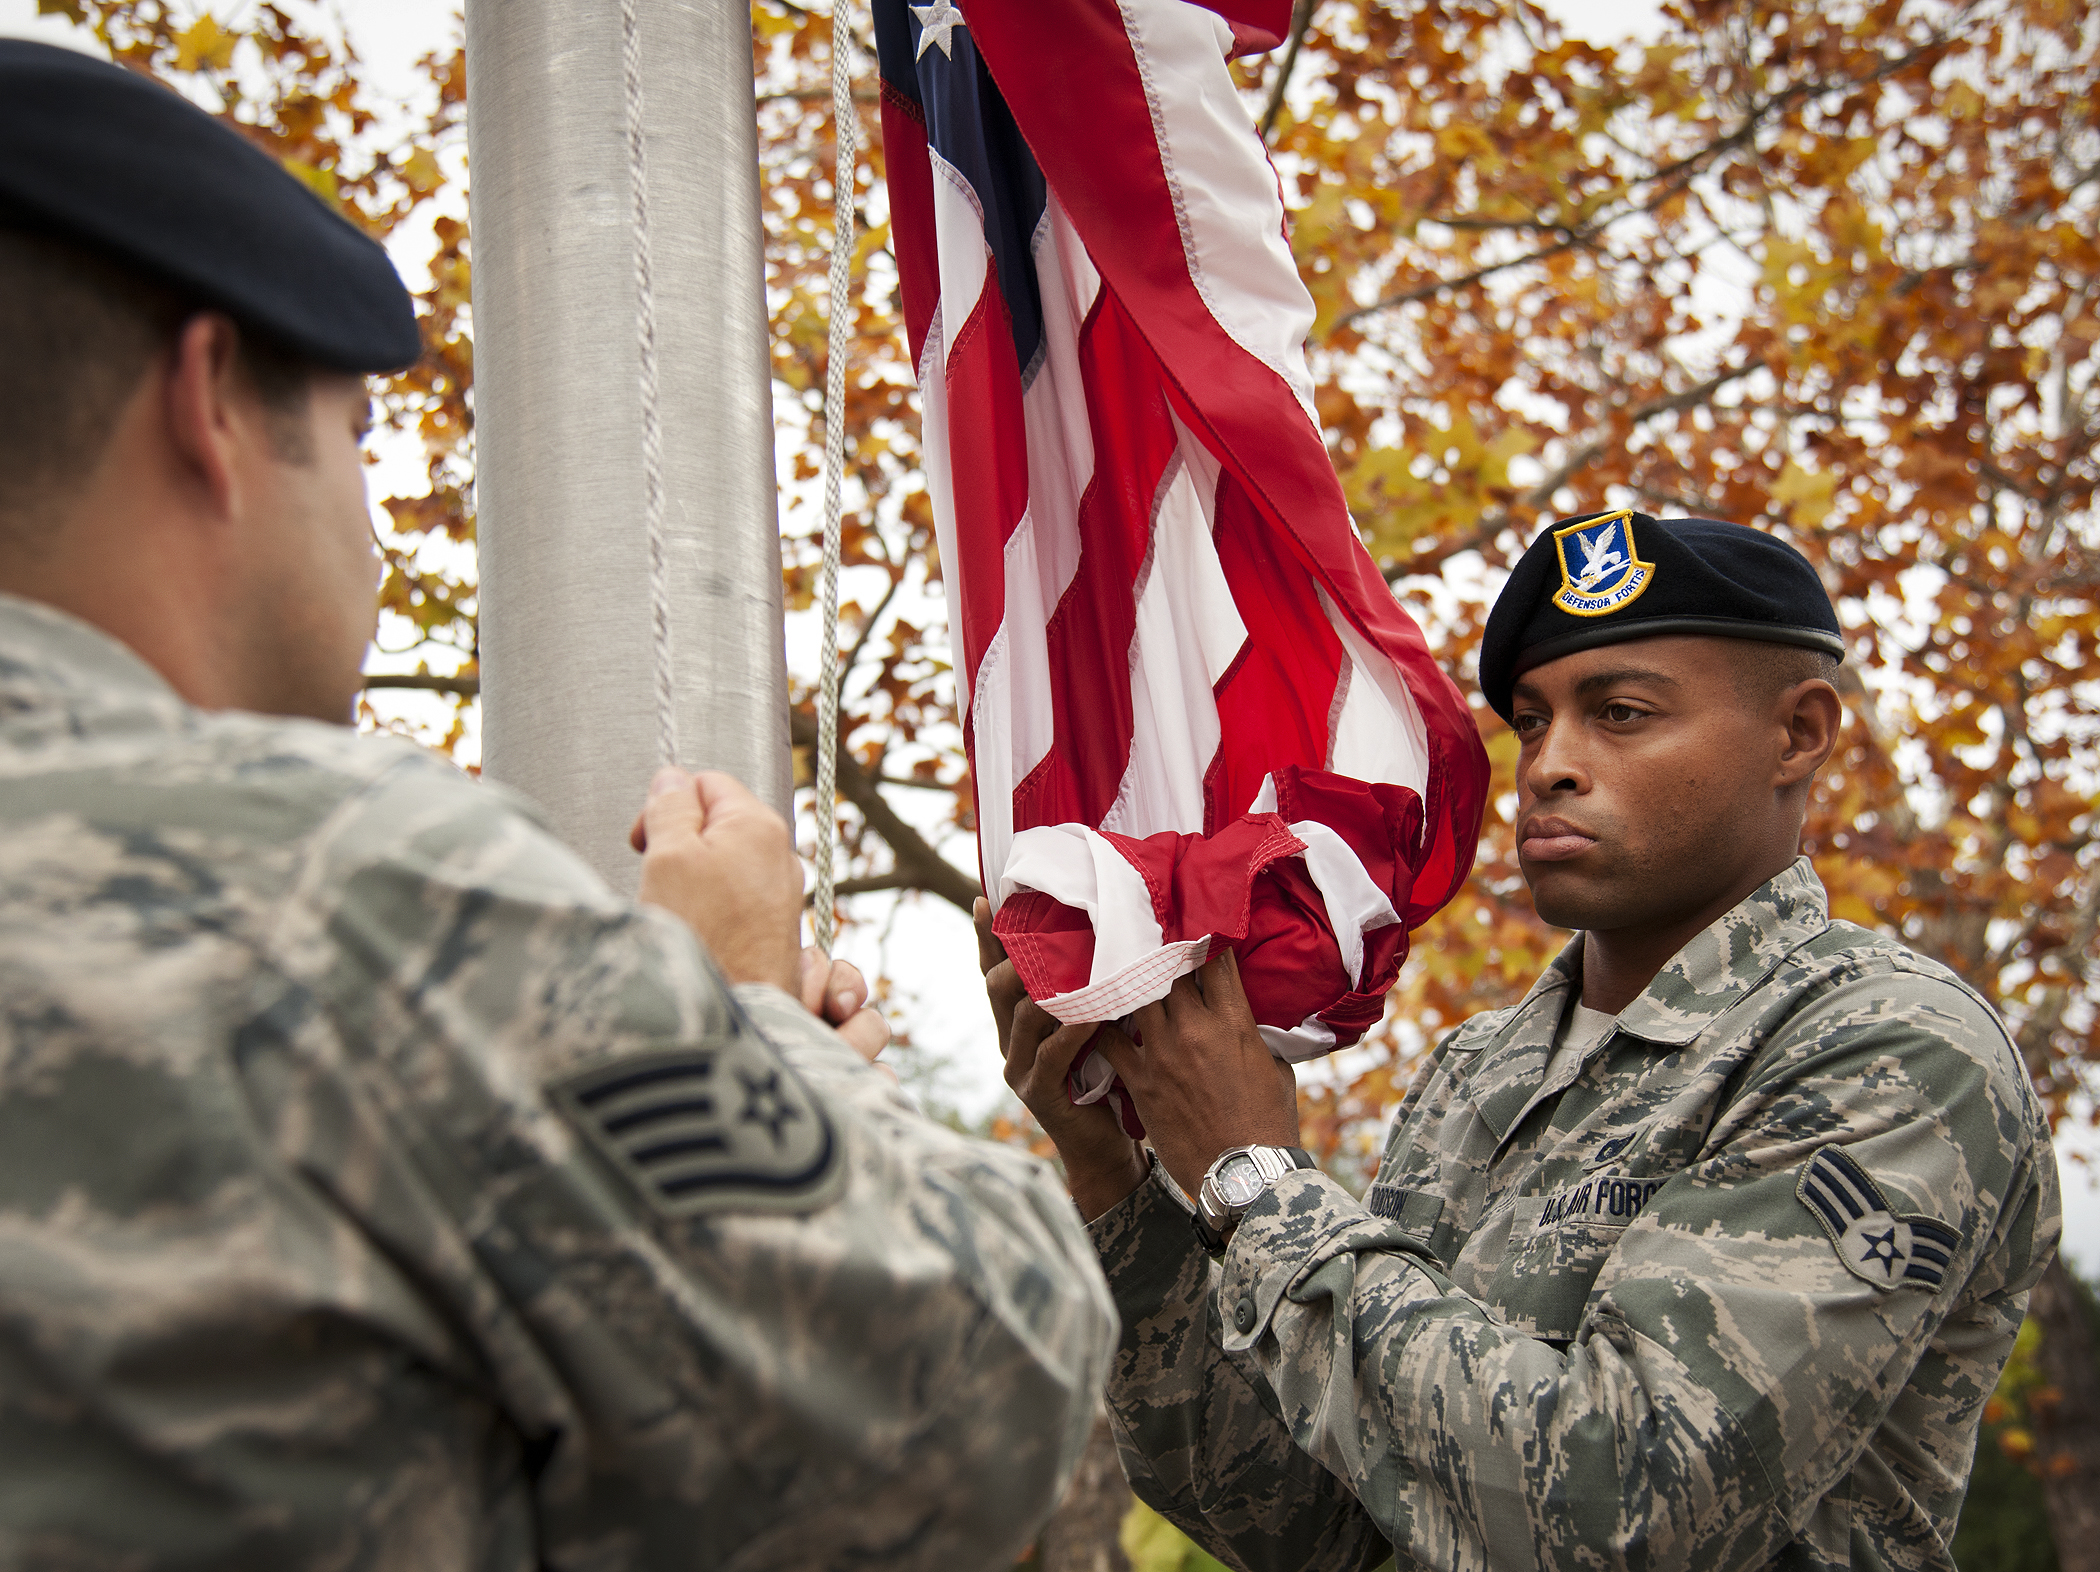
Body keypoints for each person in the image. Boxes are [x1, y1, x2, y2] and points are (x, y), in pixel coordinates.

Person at [0, 38, 1115, 1571]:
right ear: (211, 402)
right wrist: (745, 1027)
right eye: (354, 442)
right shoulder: (337, 883)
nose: (375, 539)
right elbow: (994, 1399)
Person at [983, 508, 2062, 1572]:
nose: (1548, 765)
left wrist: (1258, 1184)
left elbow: (1628, 1511)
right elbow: (1307, 1524)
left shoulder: (1887, 1046)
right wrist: (1116, 1183)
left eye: (1623, 713)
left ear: (1799, 733)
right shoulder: (1477, 1068)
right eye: (1534, 721)